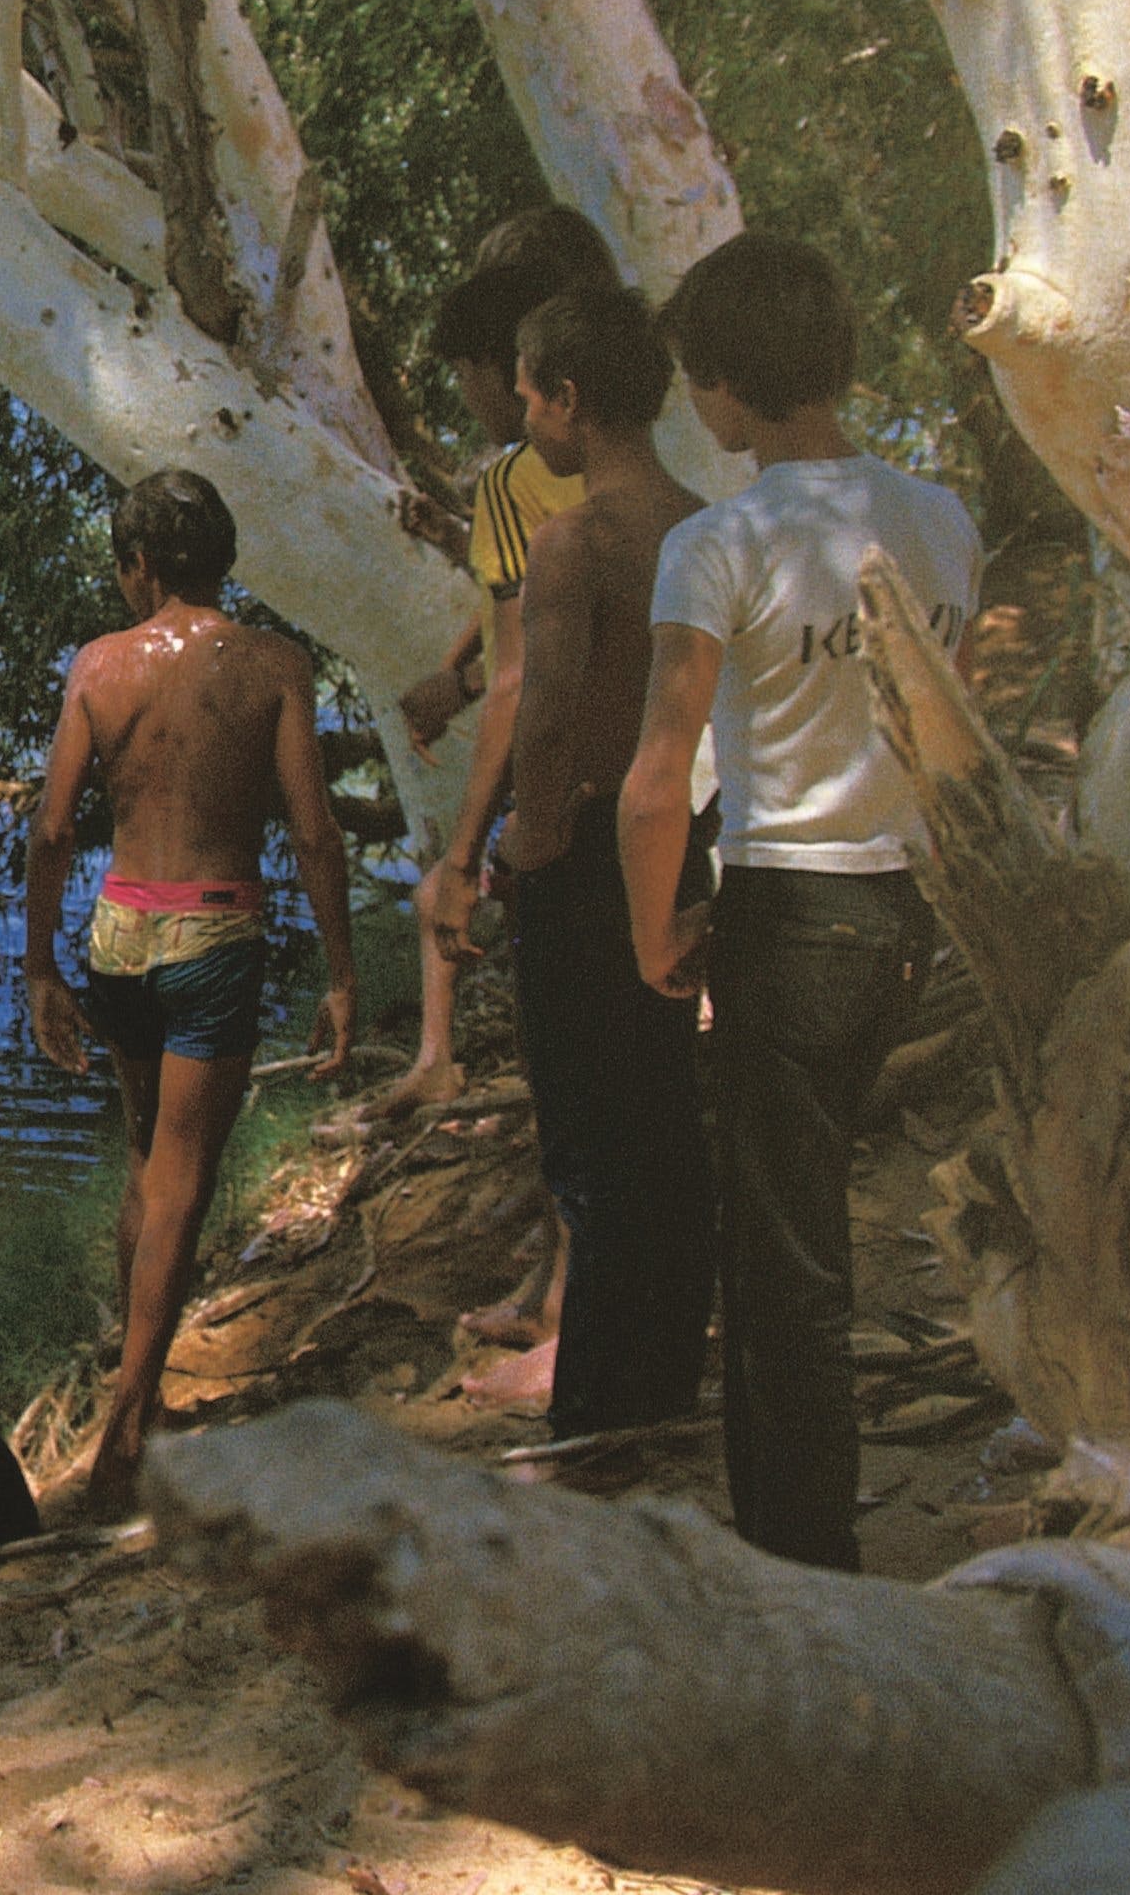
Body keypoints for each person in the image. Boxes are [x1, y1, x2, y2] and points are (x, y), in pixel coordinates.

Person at [621, 233, 977, 1570]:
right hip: (900, 914)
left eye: (692, 385)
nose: (694, 410)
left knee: (783, 1273)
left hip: (784, 915)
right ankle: (793, 1537)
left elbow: (659, 780)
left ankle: (802, 1563)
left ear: (723, 385)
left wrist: (654, 927)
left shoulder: (720, 542)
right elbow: (946, 732)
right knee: (803, 1235)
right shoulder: (941, 521)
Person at [24, 470, 357, 1517]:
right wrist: (343, 972)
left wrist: (38, 967)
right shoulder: (274, 665)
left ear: (141, 566)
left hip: (117, 933)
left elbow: (49, 830)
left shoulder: (97, 666)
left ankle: (133, 1394)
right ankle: (128, 1425)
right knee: (180, 1178)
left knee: (142, 1159)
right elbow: (311, 830)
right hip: (214, 930)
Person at [491, 287, 715, 1440]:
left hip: (584, 854)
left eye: (528, 392)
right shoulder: (704, 524)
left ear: (568, 400)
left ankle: (595, 1413)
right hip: (686, 848)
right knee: (667, 1120)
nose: (523, 411)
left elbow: (546, 712)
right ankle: (665, 1385)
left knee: (587, 1135)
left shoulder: (578, 540)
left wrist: (522, 849)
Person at [398, 208, 620, 1368]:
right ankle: (557, 1280)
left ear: (515, 372)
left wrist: (465, 849)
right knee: (604, 1078)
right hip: (656, 793)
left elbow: (521, 677)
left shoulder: (512, 485)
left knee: (574, 1077)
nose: (484, 404)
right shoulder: (639, 467)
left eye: (479, 380)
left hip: (559, 805)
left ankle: (569, 1317)